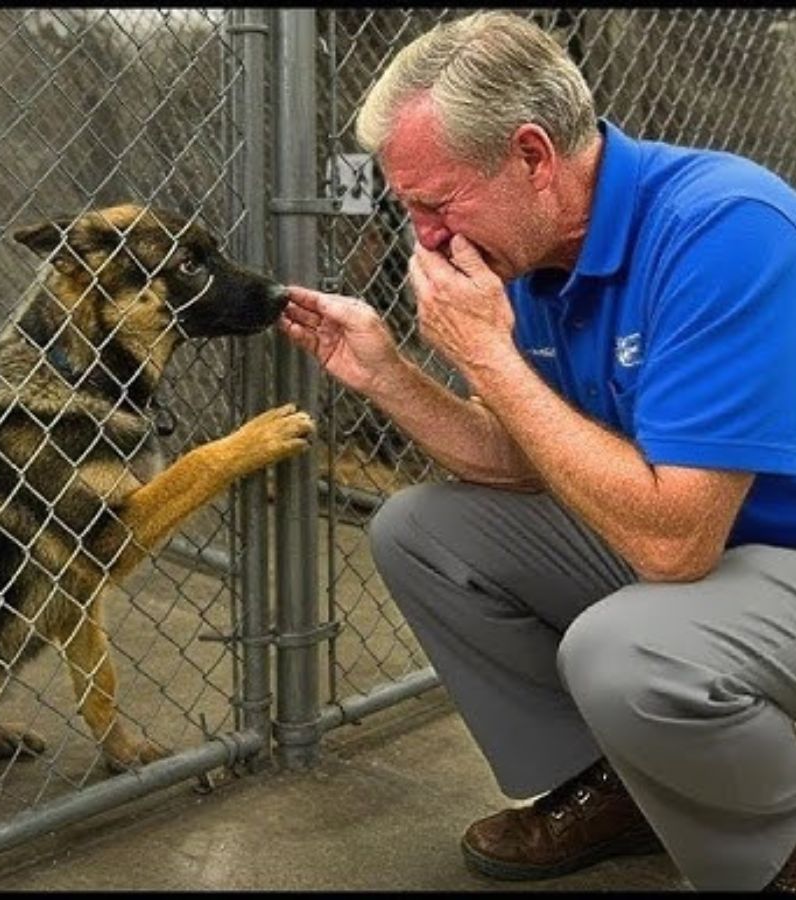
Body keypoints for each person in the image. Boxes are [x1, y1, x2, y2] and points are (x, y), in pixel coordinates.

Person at [279, 9, 796, 893]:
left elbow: (675, 545)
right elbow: (523, 459)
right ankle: (625, 790)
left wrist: (483, 352)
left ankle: (774, 848)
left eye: (436, 203)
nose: (428, 237)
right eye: (413, 210)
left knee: (626, 652)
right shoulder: (534, 248)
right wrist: (387, 375)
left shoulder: (725, 229)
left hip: (764, 551)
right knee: (422, 531)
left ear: (531, 156)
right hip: (705, 550)